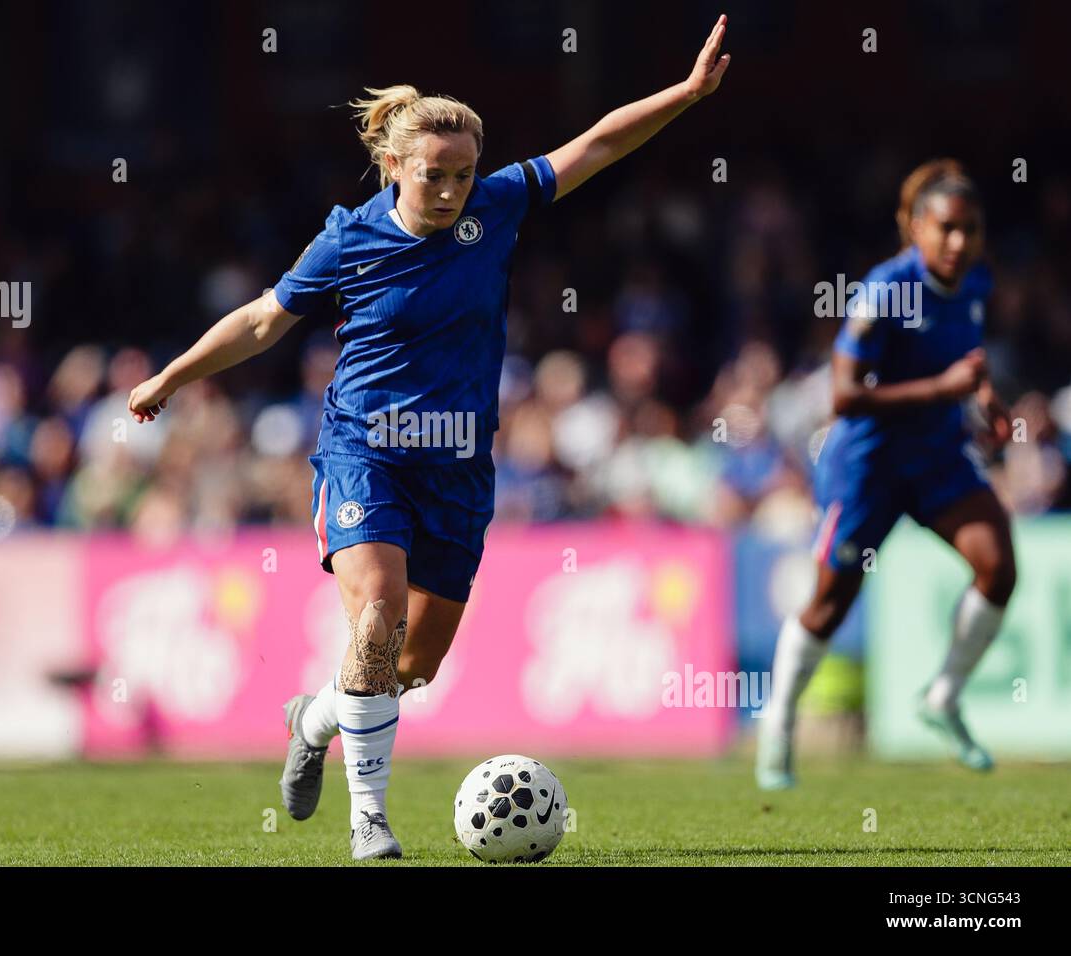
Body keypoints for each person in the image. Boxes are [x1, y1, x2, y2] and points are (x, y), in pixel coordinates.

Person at [130, 16, 731, 857]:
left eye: (463, 174)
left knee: (409, 667)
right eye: (435, 176)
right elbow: (266, 321)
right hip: (364, 453)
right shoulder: (350, 236)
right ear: (394, 168)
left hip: (458, 470)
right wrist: (171, 377)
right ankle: (369, 819)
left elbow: (596, 145)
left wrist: (688, 93)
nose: (451, 191)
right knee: (374, 615)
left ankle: (316, 717)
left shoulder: (499, 203)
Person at [756, 160, 1018, 790]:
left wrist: (982, 401)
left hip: (935, 459)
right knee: (828, 605)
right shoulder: (884, 290)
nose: (960, 242)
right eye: (948, 228)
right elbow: (844, 397)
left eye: (971, 230)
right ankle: (780, 723)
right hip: (867, 468)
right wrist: (944, 388)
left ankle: (943, 697)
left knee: (998, 565)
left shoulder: (975, 285)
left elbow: (966, 364)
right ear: (916, 228)